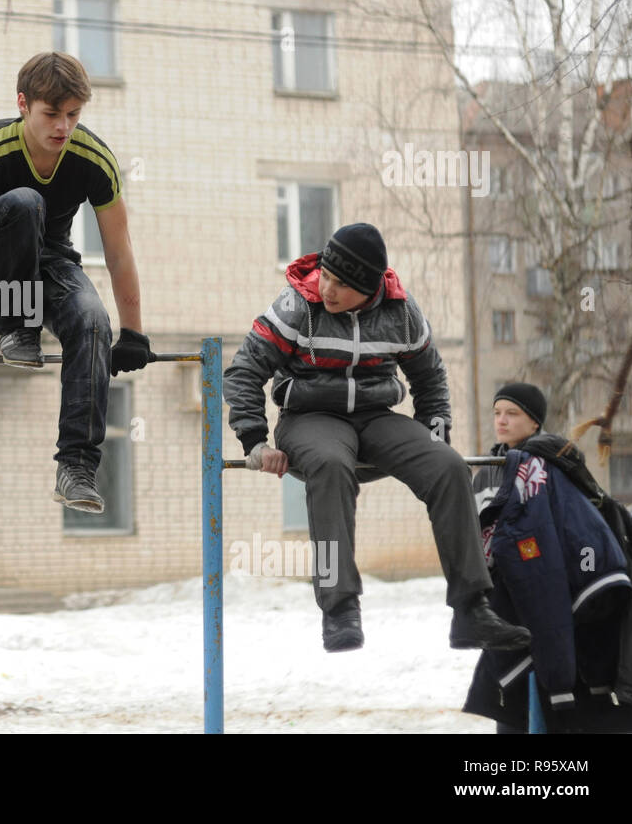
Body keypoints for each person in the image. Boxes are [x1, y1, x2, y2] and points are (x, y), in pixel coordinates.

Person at [222, 223, 531, 653]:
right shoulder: (298, 304)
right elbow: (244, 371)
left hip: (376, 416)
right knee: (331, 466)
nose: (327, 288)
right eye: (326, 275)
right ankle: (339, 607)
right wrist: (254, 440)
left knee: (448, 465)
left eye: (341, 284)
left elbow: (430, 377)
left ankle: (472, 608)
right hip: (309, 416)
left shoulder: (402, 313)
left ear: (369, 290)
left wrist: (432, 437)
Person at [0, 52, 152, 513]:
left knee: (91, 319)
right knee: (24, 203)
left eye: (73, 115)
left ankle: (76, 468)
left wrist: (133, 331)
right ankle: (14, 326)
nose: (63, 127)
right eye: (52, 114)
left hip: (49, 263)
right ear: (23, 104)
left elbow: (119, 250)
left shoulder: (93, 159)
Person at [464, 383, 632, 733]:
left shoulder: (551, 468)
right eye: (497, 413)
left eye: (512, 414)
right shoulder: (487, 473)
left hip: (553, 598)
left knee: (558, 701)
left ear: (534, 422)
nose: (502, 420)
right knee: (512, 697)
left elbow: (572, 532)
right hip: (507, 601)